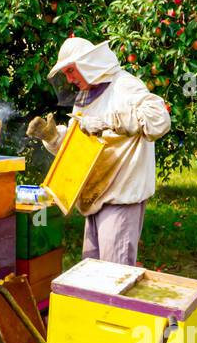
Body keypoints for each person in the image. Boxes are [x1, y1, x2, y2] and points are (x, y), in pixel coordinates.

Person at [26, 37, 171, 266]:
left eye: (71, 71)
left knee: (113, 278)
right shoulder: (86, 96)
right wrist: (53, 138)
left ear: (89, 63)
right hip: (94, 197)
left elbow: (159, 121)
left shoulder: (124, 85)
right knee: (92, 276)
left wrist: (107, 121)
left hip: (120, 196)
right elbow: (79, 148)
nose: (70, 79)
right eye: (65, 74)